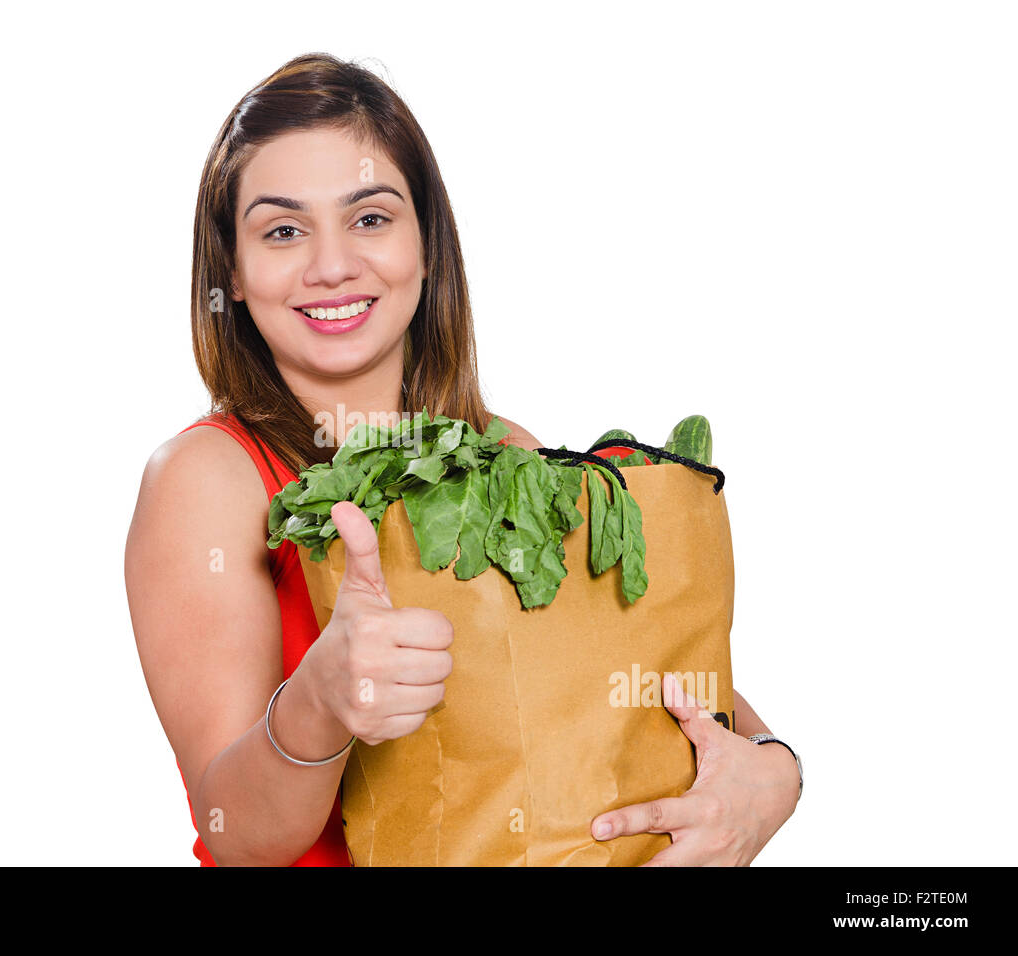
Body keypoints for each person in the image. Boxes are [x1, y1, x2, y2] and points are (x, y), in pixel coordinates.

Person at [124, 52, 801, 867]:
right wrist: (320, 701)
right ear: (231, 270)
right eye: (282, 230)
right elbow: (236, 832)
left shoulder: (507, 452)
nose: (332, 264)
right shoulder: (207, 481)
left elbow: (685, 691)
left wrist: (770, 782)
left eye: (370, 218)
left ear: (427, 242)